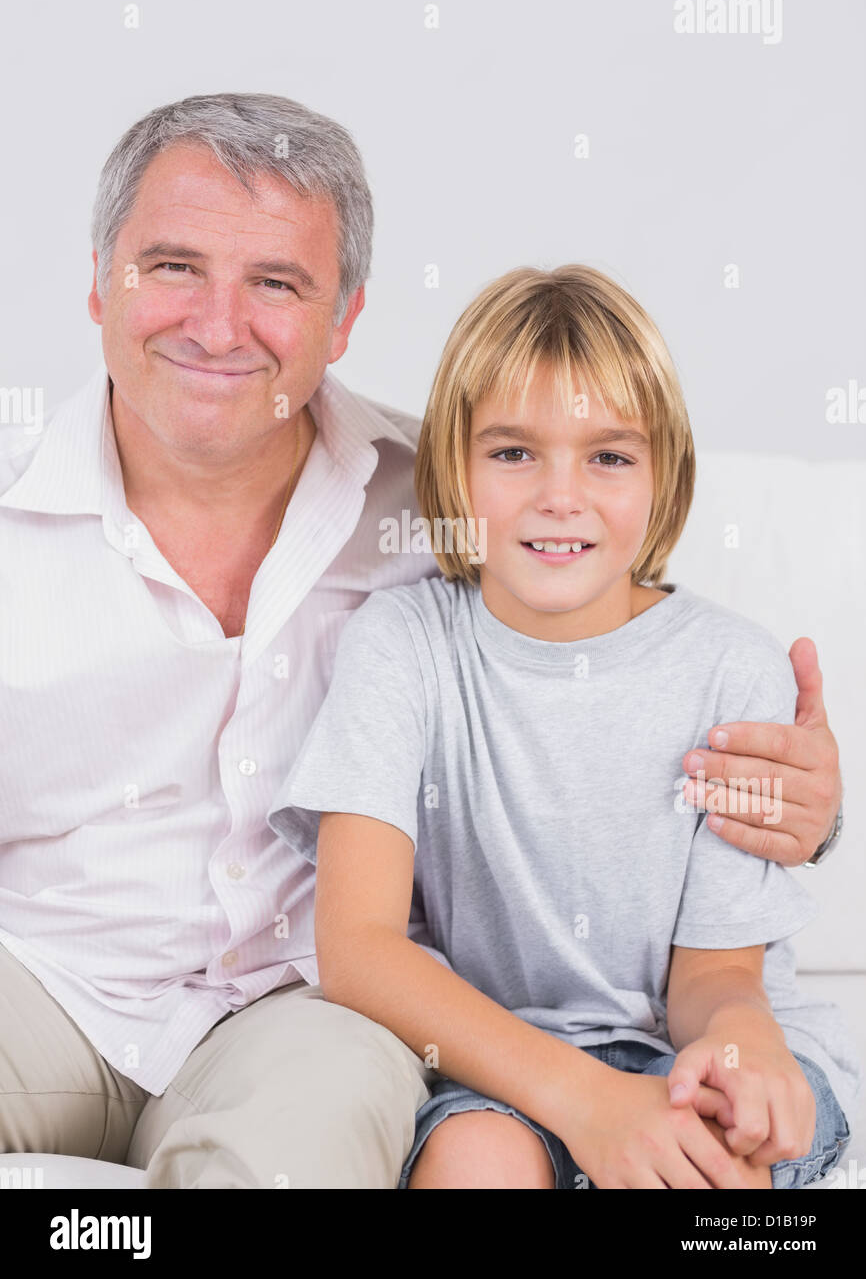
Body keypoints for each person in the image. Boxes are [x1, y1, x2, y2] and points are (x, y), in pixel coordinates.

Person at [0, 93, 846, 1188]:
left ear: (343, 317)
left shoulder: (440, 512)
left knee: (294, 1151)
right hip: (45, 979)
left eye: (275, 282)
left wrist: (801, 804)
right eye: (171, 266)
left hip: (300, 1014)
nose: (217, 322)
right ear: (98, 279)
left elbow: (624, 687)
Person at [266, 265, 861, 1188]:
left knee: (717, 1159)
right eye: (512, 453)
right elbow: (359, 949)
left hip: (694, 1049)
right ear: (452, 469)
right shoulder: (404, 645)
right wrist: (584, 1103)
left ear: (662, 476)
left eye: (609, 457)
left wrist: (741, 1048)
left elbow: (716, 981)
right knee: (473, 1163)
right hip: (506, 1069)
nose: (560, 494)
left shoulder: (733, 670)